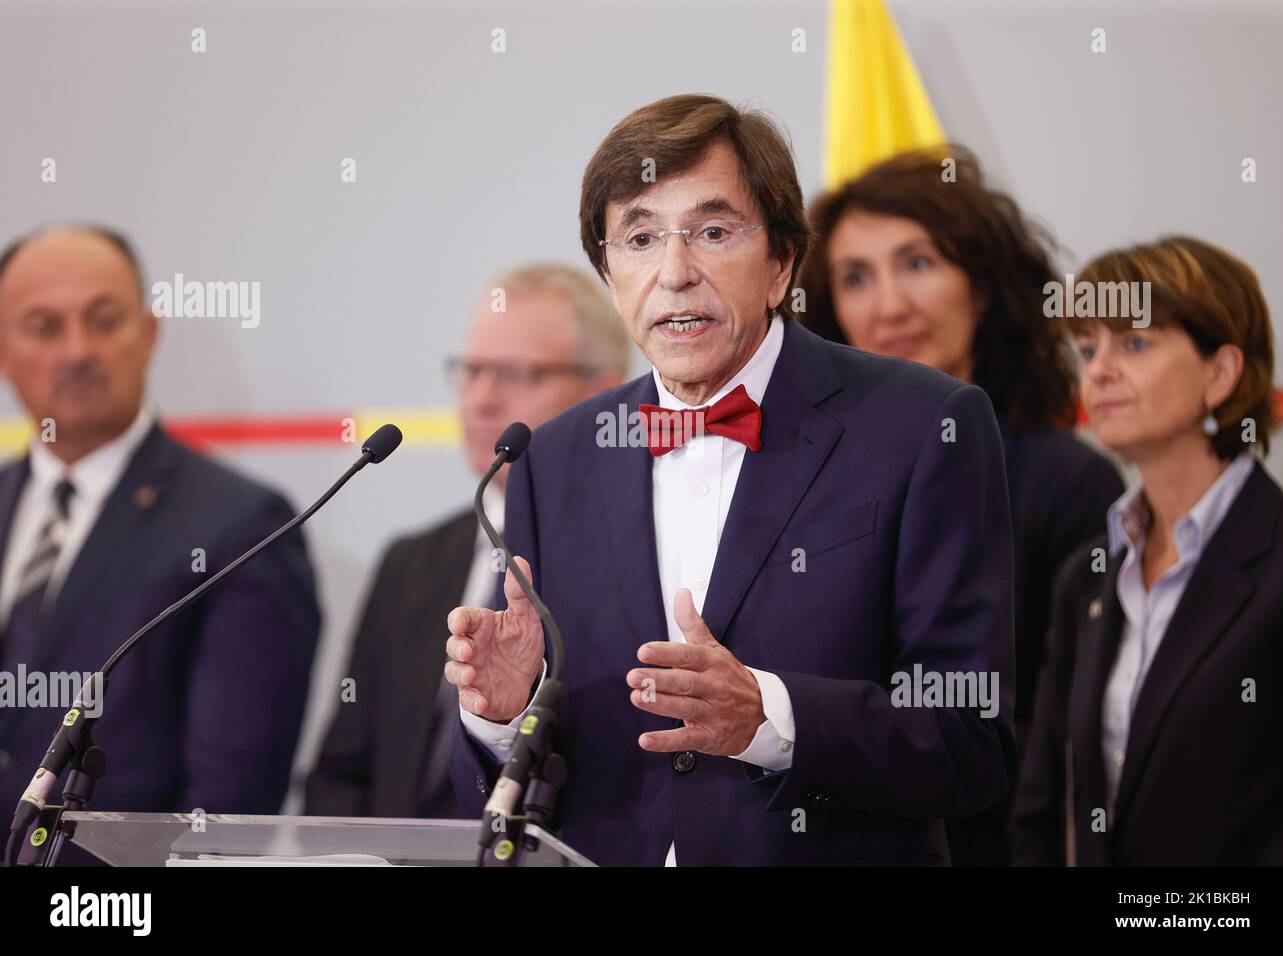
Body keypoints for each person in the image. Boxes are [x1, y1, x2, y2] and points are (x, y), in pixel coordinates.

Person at [443, 95, 1016, 866]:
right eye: (640, 238)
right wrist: (509, 713)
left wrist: (769, 716)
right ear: (610, 274)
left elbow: (972, 740)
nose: (676, 273)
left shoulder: (923, 426)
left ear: (781, 263)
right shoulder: (553, 458)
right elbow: (518, 798)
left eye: (713, 232)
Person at [798, 146, 1124, 864]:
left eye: (917, 263)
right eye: (856, 277)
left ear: (983, 286)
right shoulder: (802, 484)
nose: (890, 305)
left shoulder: (1071, 483)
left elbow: (1079, 741)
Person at [0, 226, 319, 847]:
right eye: (44, 327)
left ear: (148, 333)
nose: (77, 350)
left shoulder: (244, 526)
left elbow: (227, 809)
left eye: (104, 320)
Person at [1010, 236, 1283, 865]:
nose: (1098, 372)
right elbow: (1042, 809)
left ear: (1220, 374)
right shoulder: (1086, 577)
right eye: (1089, 349)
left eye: (1135, 344)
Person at [305, 263, 626, 818]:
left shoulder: (627, 562)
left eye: (515, 374)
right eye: (472, 371)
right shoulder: (411, 562)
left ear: (602, 393)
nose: (480, 400)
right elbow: (340, 774)